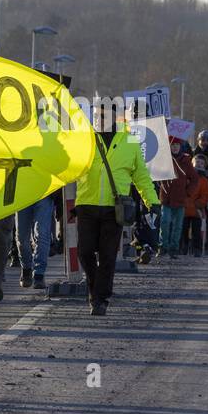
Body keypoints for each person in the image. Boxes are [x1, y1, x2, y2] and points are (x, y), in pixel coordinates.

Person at [73, 101, 158, 316]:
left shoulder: (129, 139)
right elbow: (66, 165)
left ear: (114, 117)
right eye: (95, 116)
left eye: (103, 116)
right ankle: (95, 290)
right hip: (87, 204)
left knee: (108, 254)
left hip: (115, 207)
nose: (98, 120)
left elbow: (141, 175)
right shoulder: (84, 139)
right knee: (84, 252)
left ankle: (100, 299)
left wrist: (152, 201)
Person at [156, 139, 193, 260]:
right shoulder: (164, 159)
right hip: (166, 197)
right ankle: (163, 246)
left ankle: (173, 248)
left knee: (178, 225)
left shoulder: (186, 160)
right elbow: (156, 174)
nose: (175, 147)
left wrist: (188, 192)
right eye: (172, 145)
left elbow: (195, 179)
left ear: (180, 146)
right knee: (165, 222)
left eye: (177, 145)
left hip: (180, 198)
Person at [15, 191, 55, 289]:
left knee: (42, 234)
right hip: (22, 193)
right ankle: (26, 268)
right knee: (22, 237)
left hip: (44, 191)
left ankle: (39, 274)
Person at [183, 154, 208, 257]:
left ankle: (197, 249)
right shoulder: (186, 177)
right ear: (192, 163)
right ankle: (183, 247)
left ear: (204, 166)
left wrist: (198, 204)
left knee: (197, 230)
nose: (199, 164)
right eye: (197, 162)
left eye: (202, 163)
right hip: (184, 209)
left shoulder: (204, 181)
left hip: (197, 210)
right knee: (183, 229)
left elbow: (206, 195)